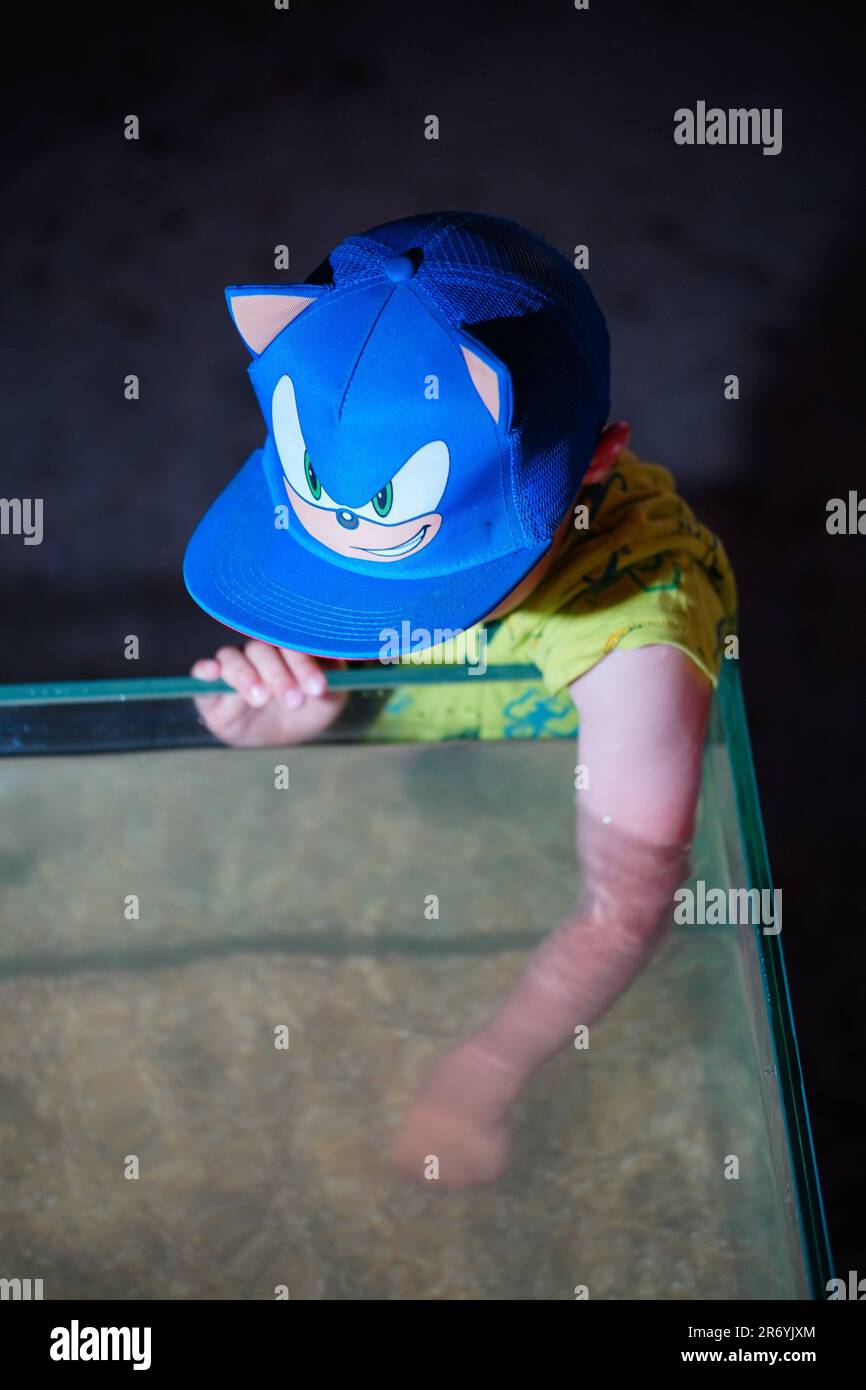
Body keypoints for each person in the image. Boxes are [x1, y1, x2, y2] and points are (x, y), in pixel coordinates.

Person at [184, 211, 737, 1187]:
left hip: (572, 773)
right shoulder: (344, 477)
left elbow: (622, 906)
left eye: (418, 590)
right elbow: (326, 658)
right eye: (335, 583)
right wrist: (291, 723)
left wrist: (479, 1074)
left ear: (596, 467)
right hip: (440, 771)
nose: (366, 620)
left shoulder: (638, 635)